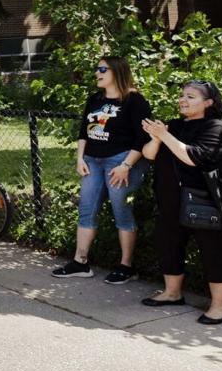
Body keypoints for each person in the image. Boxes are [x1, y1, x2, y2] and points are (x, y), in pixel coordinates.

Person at [141, 81, 222, 324]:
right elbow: (149, 155)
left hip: (205, 202)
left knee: (213, 252)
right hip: (170, 199)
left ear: (208, 103)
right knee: (169, 244)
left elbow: (194, 157)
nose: (183, 100)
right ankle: (172, 293)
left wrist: (164, 135)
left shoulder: (216, 127)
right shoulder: (173, 126)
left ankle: (219, 307)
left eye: (191, 96)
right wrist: (156, 138)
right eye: (182, 95)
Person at [51, 56, 152, 283]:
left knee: (121, 212)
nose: (97, 73)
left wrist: (126, 165)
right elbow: (83, 133)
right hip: (92, 162)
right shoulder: (95, 99)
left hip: (121, 162)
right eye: (97, 69)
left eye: (102, 69)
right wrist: (80, 158)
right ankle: (80, 262)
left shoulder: (134, 101)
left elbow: (143, 138)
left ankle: (126, 266)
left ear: (117, 71)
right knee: (86, 209)